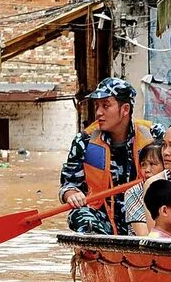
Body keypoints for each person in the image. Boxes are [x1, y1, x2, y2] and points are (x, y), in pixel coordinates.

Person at [59, 78, 164, 235]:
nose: (99, 112)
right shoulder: (84, 141)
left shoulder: (155, 134)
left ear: (125, 109)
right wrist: (72, 195)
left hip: (144, 214)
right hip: (103, 220)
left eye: (106, 105)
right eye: (97, 106)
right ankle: (98, 252)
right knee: (78, 215)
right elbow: (69, 184)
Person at [122, 144, 164, 235]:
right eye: (143, 165)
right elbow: (144, 235)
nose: (147, 170)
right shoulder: (133, 193)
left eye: (153, 164)